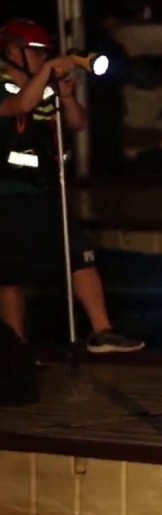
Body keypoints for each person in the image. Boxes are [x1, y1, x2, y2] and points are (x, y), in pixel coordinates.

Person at [0, 18, 144, 353]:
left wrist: (67, 96)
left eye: (45, 53)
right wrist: (48, 70)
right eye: (36, 53)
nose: (42, 58)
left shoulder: (46, 85)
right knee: (10, 273)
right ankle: (16, 347)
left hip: (45, 189)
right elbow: (21, 105)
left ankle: (102, 331)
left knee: (81, 254)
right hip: (8, 192)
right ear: (12, 51)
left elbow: (77, 123)